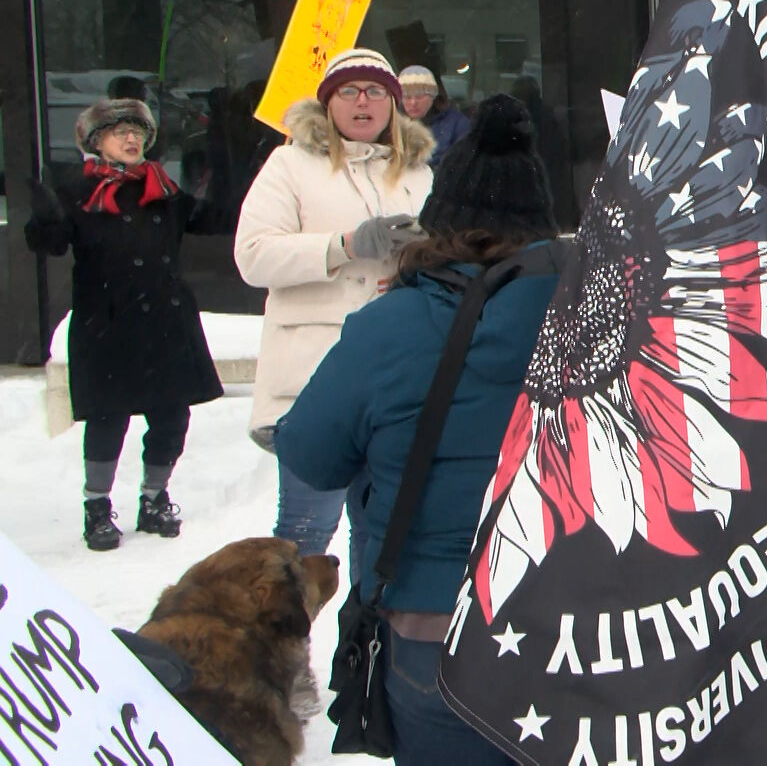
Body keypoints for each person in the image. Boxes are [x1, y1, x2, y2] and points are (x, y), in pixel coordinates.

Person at [278, 95, 562, 766]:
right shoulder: (598, 326)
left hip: (428, 633)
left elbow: (310, 455)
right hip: (578, 632)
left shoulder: (387, 327)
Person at [235, 48, 434, 562]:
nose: (362, 102)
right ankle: (282, 643)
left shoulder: (420, 174)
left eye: (374, 92)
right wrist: (343, 246)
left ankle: (364, 643)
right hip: (311, 382)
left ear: (394, 104)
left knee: (382, 539)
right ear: (327, 104)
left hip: (394, 381)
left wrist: (418, 268)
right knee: (302, 545)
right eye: (348, 91)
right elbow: (252, 256)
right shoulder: (289, 164)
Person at [26, 99, 222, 551]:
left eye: (138, 131)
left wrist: (232, 181)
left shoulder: (165, 190)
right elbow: (50, 245)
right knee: (107, 419)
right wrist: (45, 218)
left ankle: (154, 499)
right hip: (107, 323)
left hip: (166, 322)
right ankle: (97, 507)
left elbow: (213, 220)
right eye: (120, 132)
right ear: (97, 142)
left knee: (172, 415)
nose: (132, 139)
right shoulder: (78, 192)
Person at [398, 66, 471, 167]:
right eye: (407, 97)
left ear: (433, 96)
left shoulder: (457, 124)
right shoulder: (392, 124)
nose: (413, 102)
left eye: (419, 96)